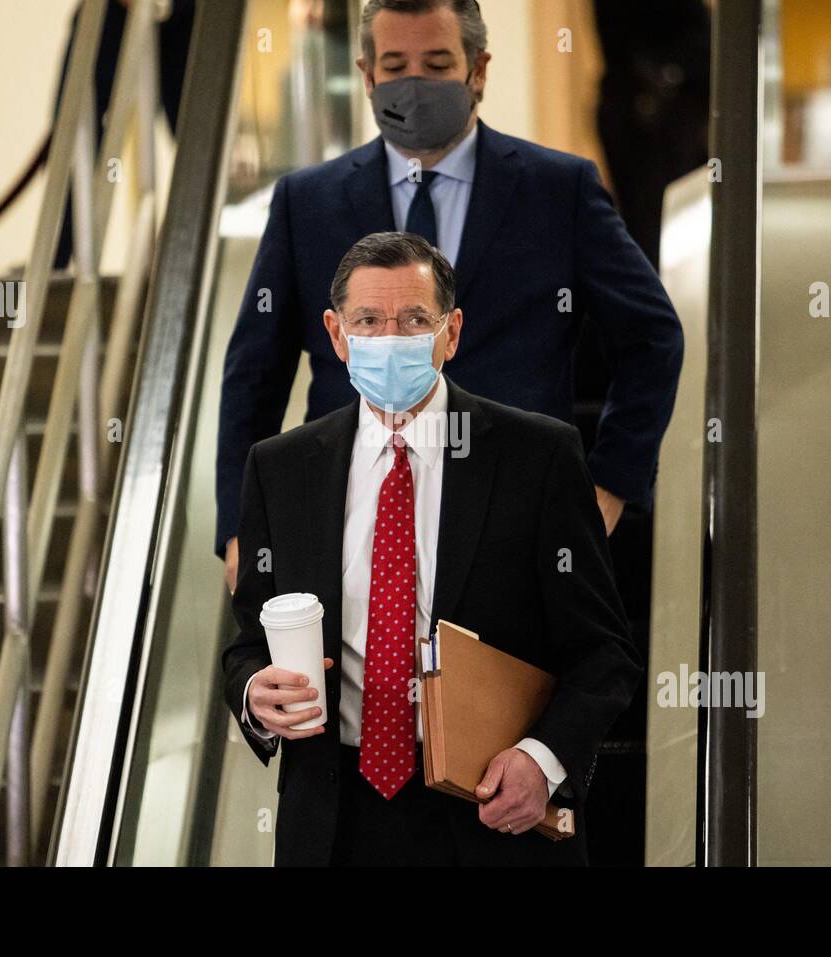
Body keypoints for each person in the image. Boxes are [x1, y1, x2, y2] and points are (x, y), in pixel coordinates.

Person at [215, 0, 684, 594]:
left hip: (517, 529)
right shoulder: (306, 203)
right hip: (344, 519)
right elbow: (253, 372)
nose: (414, 85)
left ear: (478, 70)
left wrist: (611, 485)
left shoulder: (558, 190)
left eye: (437, 64)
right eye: (394, 65)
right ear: (366, 75)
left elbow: (652, 335)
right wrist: (239, 528)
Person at [221, 233, 641, 866]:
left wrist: (543, 759)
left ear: (452, 332)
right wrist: (255, 690)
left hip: (491, 810)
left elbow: (604, 652)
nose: (391, 337)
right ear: (337, 335)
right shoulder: (281, 469)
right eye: (369, 320)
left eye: (415, 319)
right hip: (336, 820)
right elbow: (248, 639)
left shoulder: (537, 457)